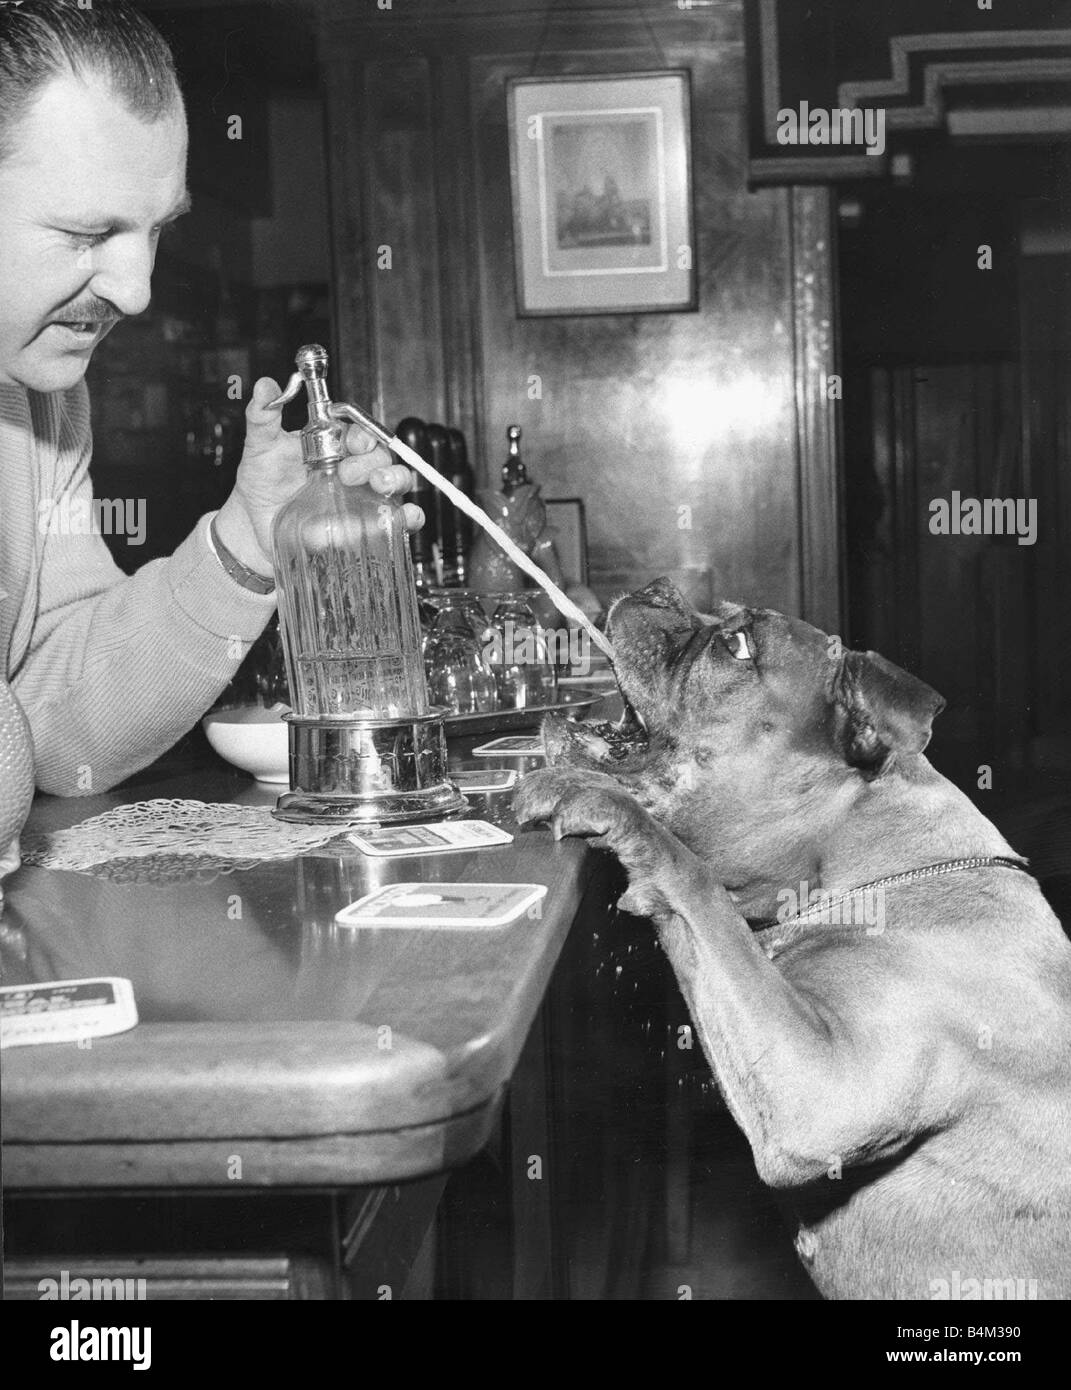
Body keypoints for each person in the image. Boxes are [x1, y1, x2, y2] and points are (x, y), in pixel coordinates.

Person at [0, 2, 421, 892]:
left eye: (157, 228)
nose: (139, 289)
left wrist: (250, 537)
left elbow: (58, 735)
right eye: (87, 233)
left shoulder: (42, 400)